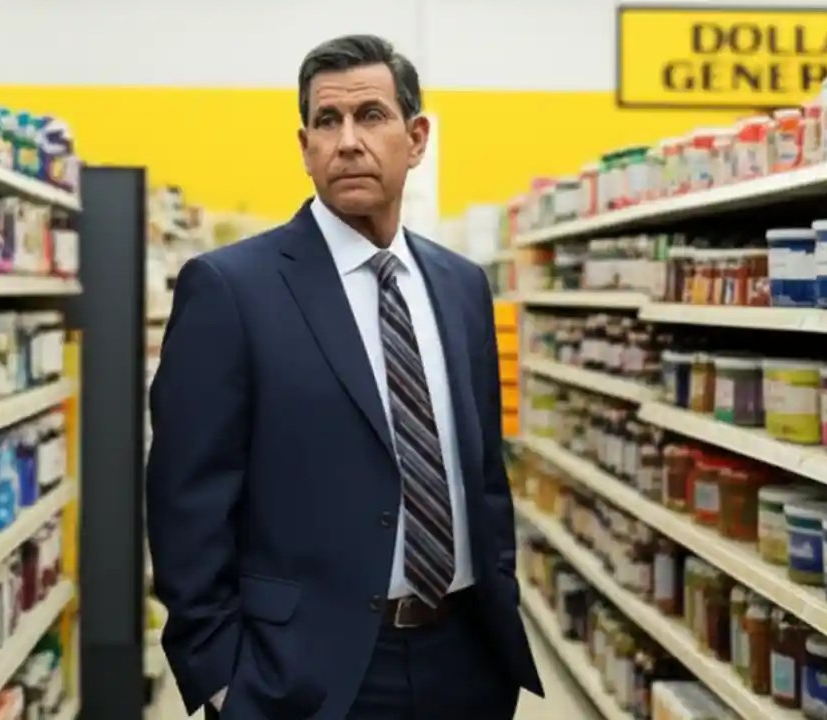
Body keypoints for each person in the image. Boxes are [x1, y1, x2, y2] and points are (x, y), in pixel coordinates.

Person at [146, 34, 542, 720]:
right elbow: (187, 501)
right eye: (327, 122)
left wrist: (496, 608)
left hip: (467, 661)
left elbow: (480, 473)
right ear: (305, 148)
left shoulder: (461, 287)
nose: (348, 141)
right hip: (307, 674)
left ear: (416, 138)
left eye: (372, 116)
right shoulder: (232, 288)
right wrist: (220, 678)